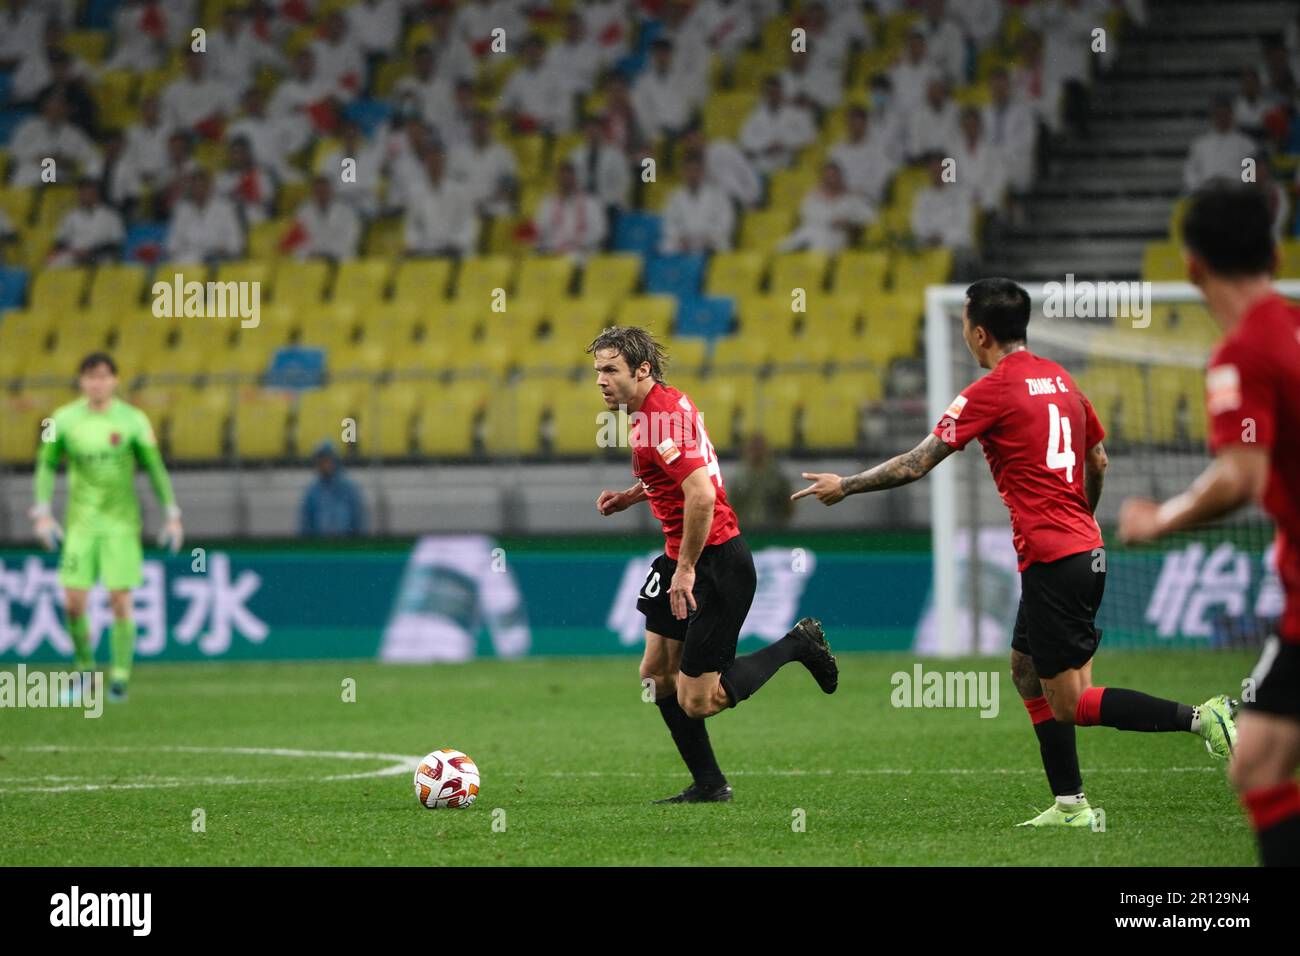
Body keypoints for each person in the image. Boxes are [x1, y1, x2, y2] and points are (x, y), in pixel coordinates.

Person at [793, 278, 1239, 827]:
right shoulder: (1062, 379)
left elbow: (917, 462)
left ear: (979, 333)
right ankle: (1070, 804)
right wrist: (1085, 519)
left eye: (963, 325)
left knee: (1072, 701)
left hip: (1057, 562)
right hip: (1075, 552)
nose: (962, 334)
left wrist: (847, 485)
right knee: (1026, 671)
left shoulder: (990, 390)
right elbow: (1098, 460)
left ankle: (1201, 718)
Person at [1118, 182, 1300, 865]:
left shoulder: (1242, 354)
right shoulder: (1292, 326)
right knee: (1256, 765)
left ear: (1191, 267)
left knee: (1256, 770)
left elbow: (1239, 477)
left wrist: (1157, 519)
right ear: (1275, 252)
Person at [590, 326, 837, 803]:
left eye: (610, 370)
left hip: (715, 562)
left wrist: (686, 570)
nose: (600, 380)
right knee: (656, 672)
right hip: (680, 554)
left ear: (642, 371)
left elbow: (701, 495)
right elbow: (682, 473)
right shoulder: (659, 406)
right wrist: (631, 496)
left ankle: (797, 644)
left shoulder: (657, 419)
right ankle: (709, 784)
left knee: (698, 700)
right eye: (597, 370)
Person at [31, 353, 183, 704]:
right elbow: (45, 464)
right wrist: (41, 511)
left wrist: (172, 513)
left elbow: (155, 468)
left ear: (115, 380)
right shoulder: (62, 419)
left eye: (102, 376)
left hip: (120, 526)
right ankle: (85, 673)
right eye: (89, 377)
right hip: (80, 527)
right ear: (81, 381)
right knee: (72, 603)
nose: (96, 383)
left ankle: (119, 678)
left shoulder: (133, 420)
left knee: (120, 598)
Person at [726, 434, 793, 531]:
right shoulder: (739, 477)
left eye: (759, 448)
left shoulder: (777, 476)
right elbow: (731, 505)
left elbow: (788, 504)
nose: (757, 452)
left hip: (774, 529)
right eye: (753, 448)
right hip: (745, 529)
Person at [300, 441, 366, 537]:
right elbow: (306, 525)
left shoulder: (349, 490)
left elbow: (357, 521)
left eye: (327, 460)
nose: (324, 464)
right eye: (321, 460)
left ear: (335, 460)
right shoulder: (312, 492)